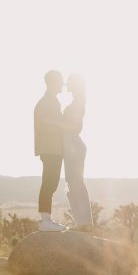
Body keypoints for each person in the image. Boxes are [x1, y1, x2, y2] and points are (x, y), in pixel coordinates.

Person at [34, 70, 67, 231]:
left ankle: (46, 219)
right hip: (50, 148)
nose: (62, 85)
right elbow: (43, 124)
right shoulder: (47, 102)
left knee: (51, 183)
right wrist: (61, 125)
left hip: (54, 148)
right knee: (48, 182)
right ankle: (45, 221)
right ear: (53, 83)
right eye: (60, 82)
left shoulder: (51, 101)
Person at [62, 74, 94, 229]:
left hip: (73, 145)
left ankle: (84, 222)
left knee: (75, 183)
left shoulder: (77, 104)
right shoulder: (78, 102)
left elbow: (76, 127)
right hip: (73, 145)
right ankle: (83, 222)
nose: (67, 86)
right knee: (74, 183)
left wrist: (57, 124)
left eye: (69, 84)